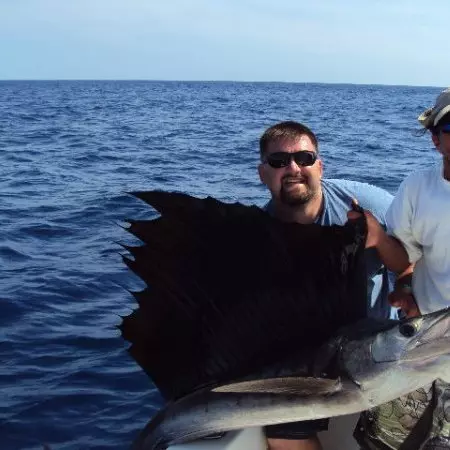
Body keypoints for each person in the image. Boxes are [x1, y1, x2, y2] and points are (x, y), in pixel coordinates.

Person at [257, 120, 396, 450]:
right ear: (262, 173)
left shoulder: (367, 205)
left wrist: (406, 285)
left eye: (304, 159)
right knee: (281, 431)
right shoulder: (259, 237)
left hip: (378, 350)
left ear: (319, 166)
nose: (293, 168)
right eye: (278, 162)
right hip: (313, 360)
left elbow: (414, 257)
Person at [350, 87, 450, 449]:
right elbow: (403, 260)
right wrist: (376, 237)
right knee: (382, 444)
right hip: (418, 351)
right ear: (435, 139)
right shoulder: (418, 188)